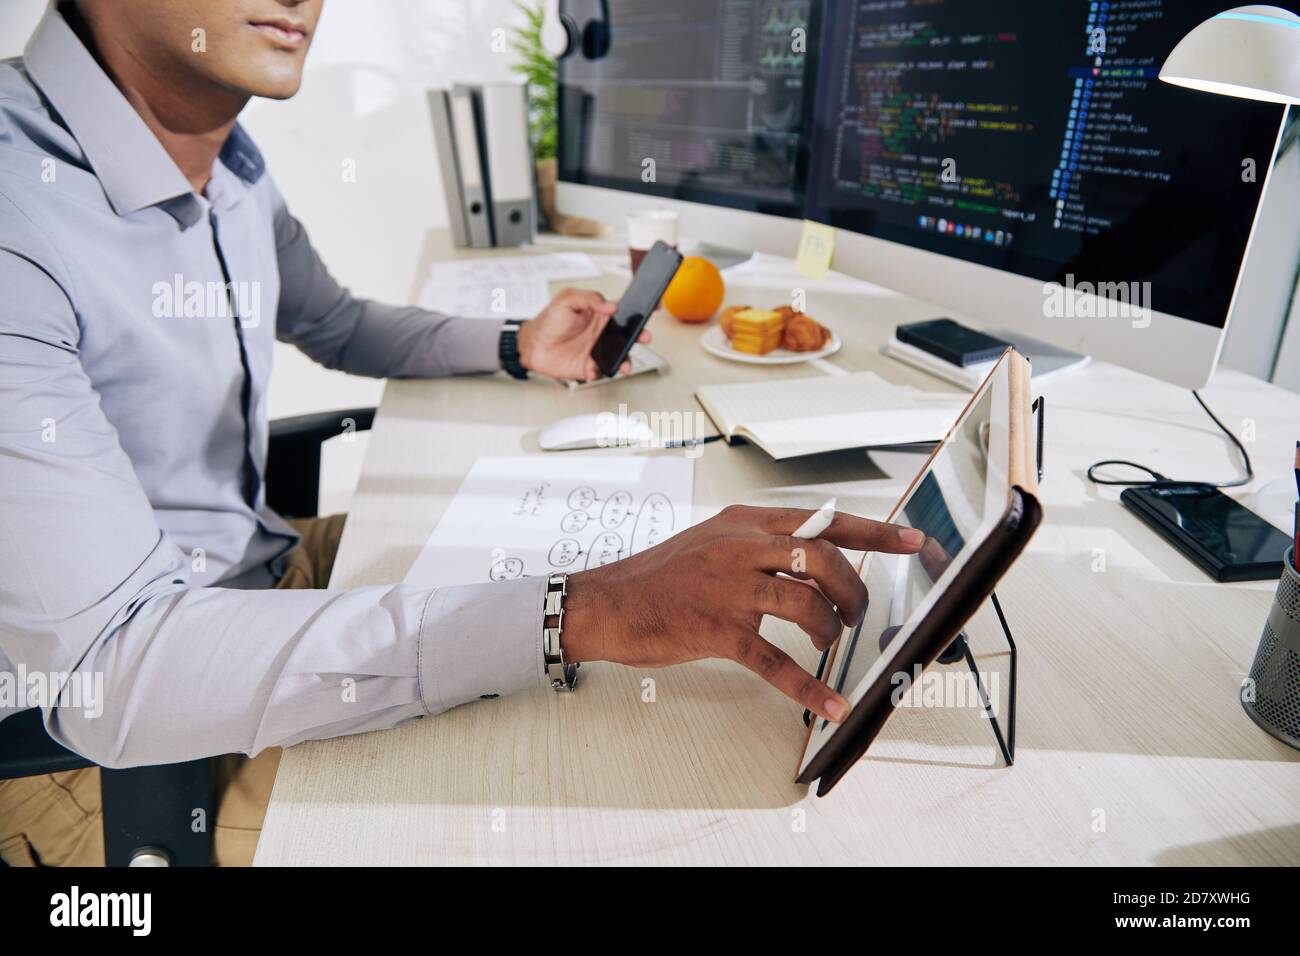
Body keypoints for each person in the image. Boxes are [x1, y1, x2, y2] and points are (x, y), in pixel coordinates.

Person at [0, 0, 925, 866]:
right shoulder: (19, 209)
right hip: (123, 752)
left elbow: (336, 321)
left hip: (258, 574)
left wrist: (518, 348)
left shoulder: (227, 161)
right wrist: (588, 608)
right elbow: (112, 670)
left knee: (629, 597)